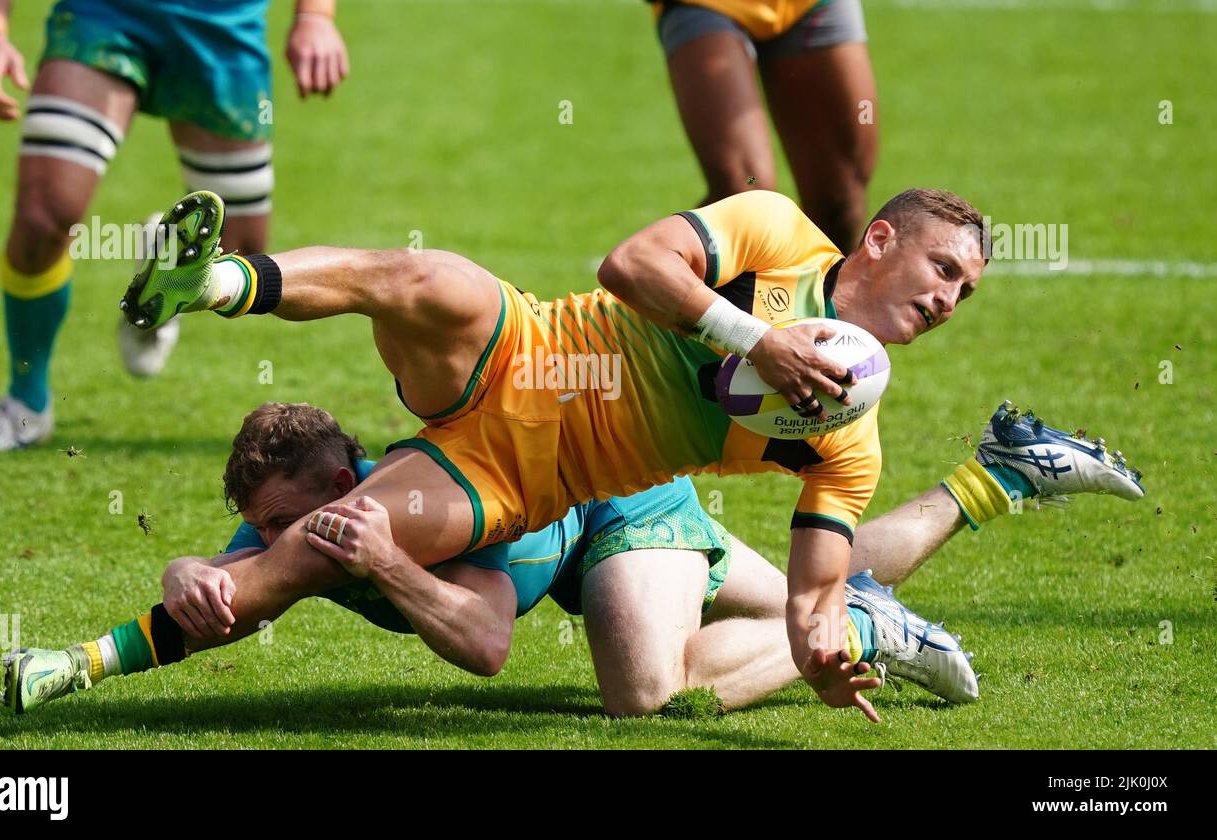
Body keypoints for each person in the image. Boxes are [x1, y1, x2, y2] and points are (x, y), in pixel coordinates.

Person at [114, 187, 1143, 718]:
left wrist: (824, 642)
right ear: (877, 239)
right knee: (425, 278)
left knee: (655, 692)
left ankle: (976, 499)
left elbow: (810, 588)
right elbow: (628, 262)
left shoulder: (847, 431)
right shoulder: (772, 232)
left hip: (606, 501)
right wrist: (754, 339)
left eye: (968, 291)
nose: (952, 298)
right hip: (523, 359)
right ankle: (209, 288)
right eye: (944, 268)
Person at [5, 401, 985, 718]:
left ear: (352, 479)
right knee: (824, 574)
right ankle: (997, 477)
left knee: (645, 694)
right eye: (259, 528)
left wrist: (392, 568)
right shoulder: (296, 529)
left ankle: (859, 626)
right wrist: (170, 581)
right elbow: (218, 600)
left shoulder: (433, 517)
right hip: (564, 516)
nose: (273, 547)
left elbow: (484, 646)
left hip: (618, 500)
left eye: (283, 523)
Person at [0, 0, 349, 454]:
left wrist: (314, 16)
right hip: (102, 18)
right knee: (43, 216)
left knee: (241, 256)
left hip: (223, 28)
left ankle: (159, 283)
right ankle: (26, 402)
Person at [649, 0, 878, 249]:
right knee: (745, 191)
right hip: (707, 5)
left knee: (840, 203)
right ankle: (648, 268)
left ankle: (817, 287)